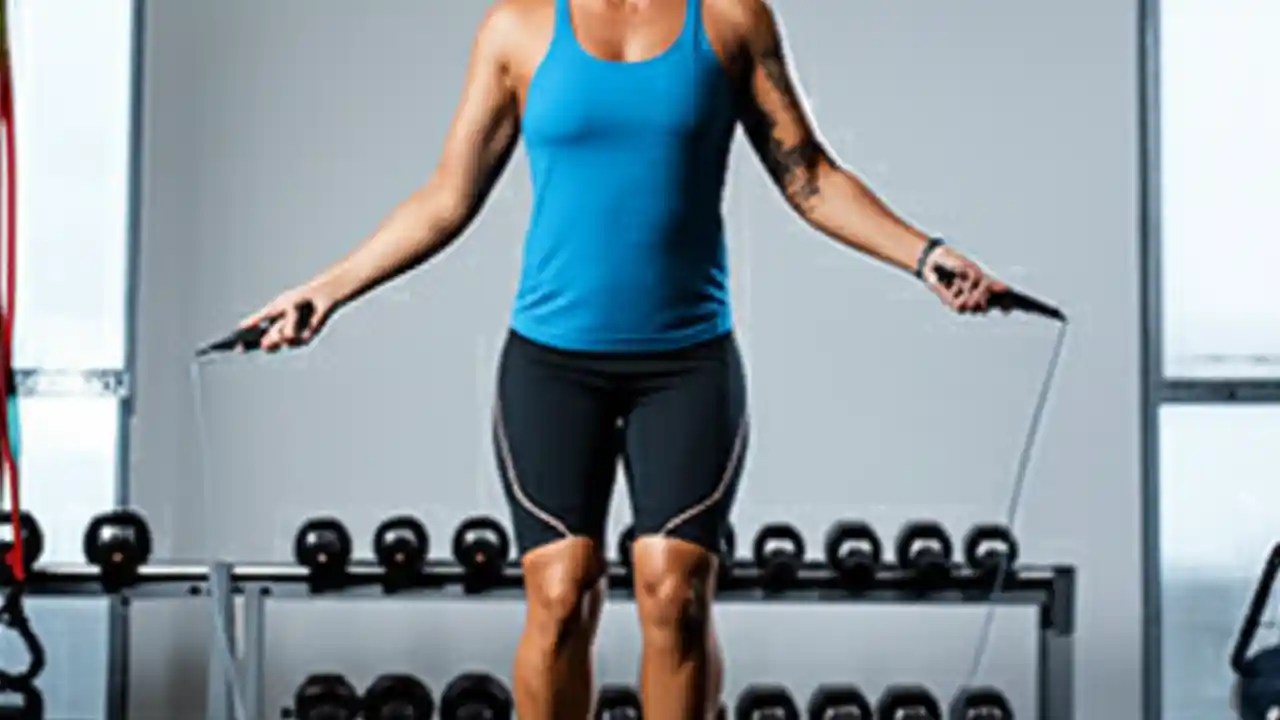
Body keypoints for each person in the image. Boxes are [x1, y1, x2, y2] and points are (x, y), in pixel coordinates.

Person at [243, 0, 1007, 717]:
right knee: (560, 593)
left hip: (686, 365)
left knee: (675, 593)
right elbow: (447, 197)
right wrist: (327, 289)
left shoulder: (730, 19)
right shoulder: (519, 28)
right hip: (552, 368)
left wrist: (926, 255)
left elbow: (809, 176)